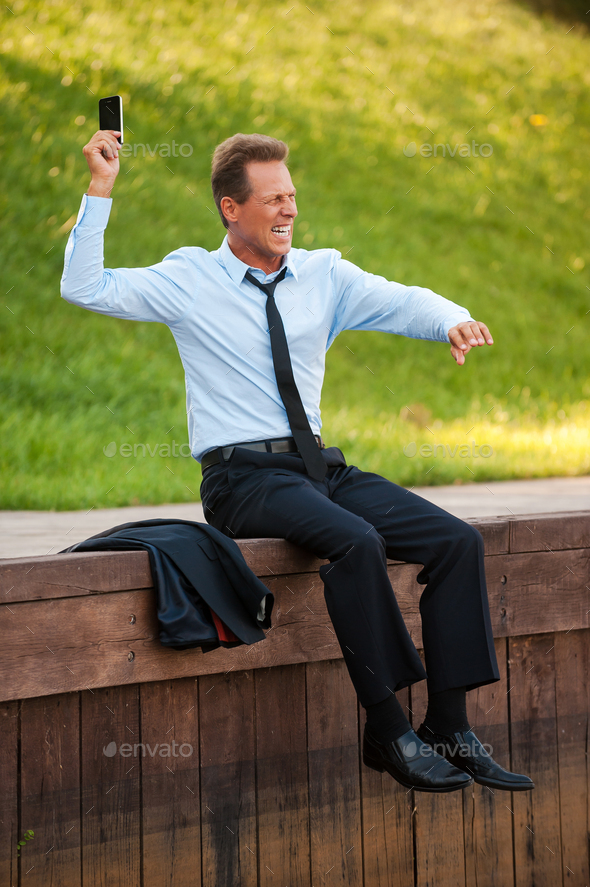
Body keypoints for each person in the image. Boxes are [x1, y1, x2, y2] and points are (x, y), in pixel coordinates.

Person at [61, 129, 533, 794]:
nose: (289, 211)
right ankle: (387, 726)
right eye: (273, 199)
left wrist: (451, 318)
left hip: (318, 469)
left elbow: (400, 299)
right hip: (242, 479)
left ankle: (448, 728)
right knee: (356, 540)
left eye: (292, 197)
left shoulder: (324, 273)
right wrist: (100, 189)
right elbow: (87, 286)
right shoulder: (190, 278)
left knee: (456, 541)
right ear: (232, 208)